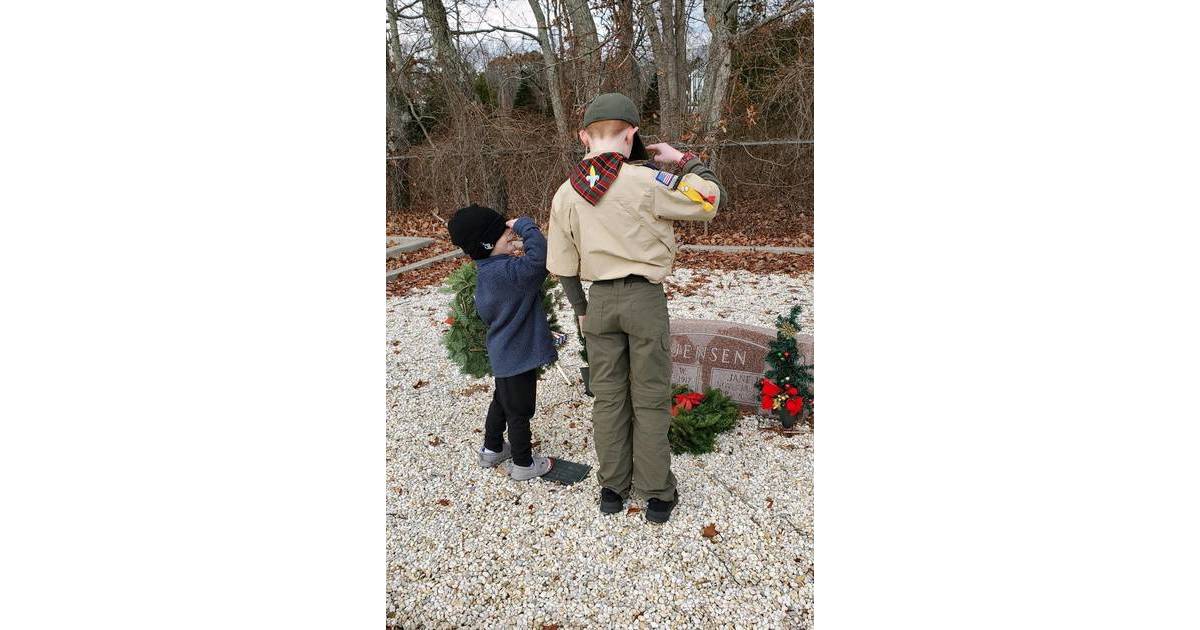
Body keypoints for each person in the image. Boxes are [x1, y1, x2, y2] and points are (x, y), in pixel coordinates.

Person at [546, 93, 727, 523]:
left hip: (600, 304)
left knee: (607, 399)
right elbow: (710, 201)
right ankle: (656, 494)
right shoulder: (647, 181)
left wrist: (582, 309)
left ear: (583, 137)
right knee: (649, 397)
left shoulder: (566, 192)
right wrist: (684, 159)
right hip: (644, 300)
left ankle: (612, 488)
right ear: (631, 136)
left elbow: (562, 262)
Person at [447, 204, 557, 481]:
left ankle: (492, 449)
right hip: (518, 357)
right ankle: (523, 464)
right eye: (503, 233)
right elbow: (541, 257)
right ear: (486, 243)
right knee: (520, 411)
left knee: (502, 401)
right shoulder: (510, 273)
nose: (509, 233)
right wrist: (525, 224)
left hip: (503, 355)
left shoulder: (487, 273)